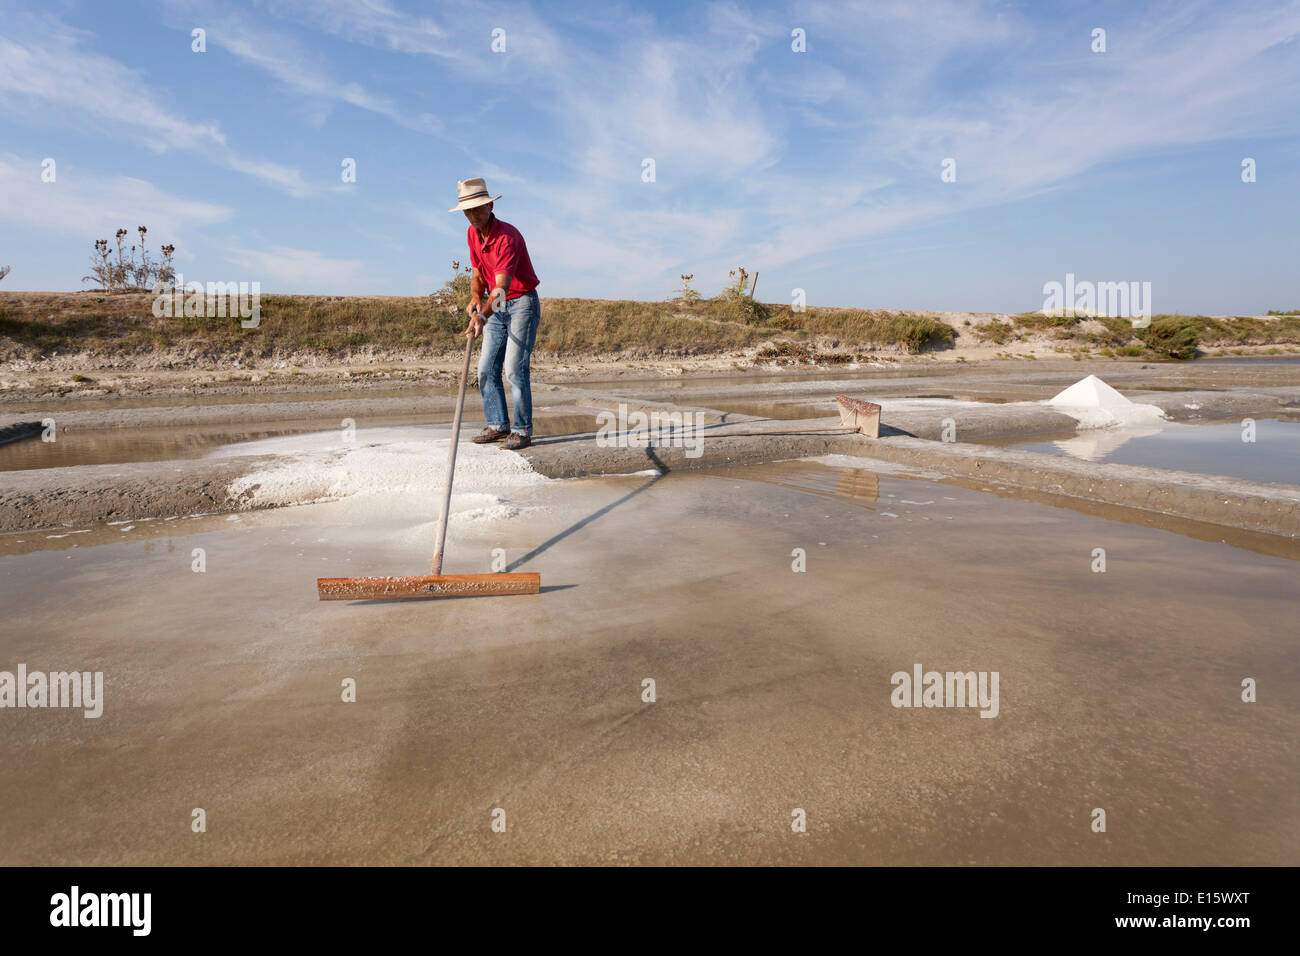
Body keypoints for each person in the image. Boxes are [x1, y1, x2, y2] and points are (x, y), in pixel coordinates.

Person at [448, 177, 541, 451]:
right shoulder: (472, 234)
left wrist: (482, 316)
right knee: (485, 368)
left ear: (490, 205)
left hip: (521, 302)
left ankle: (521, 430)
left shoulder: (507, 237)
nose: (472, 215)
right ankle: (498, 425)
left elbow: (501, 288)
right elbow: (477, 274)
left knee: (514, 368)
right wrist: (476, 296)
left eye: (477, 209)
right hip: (495, 304)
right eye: (467, 211)